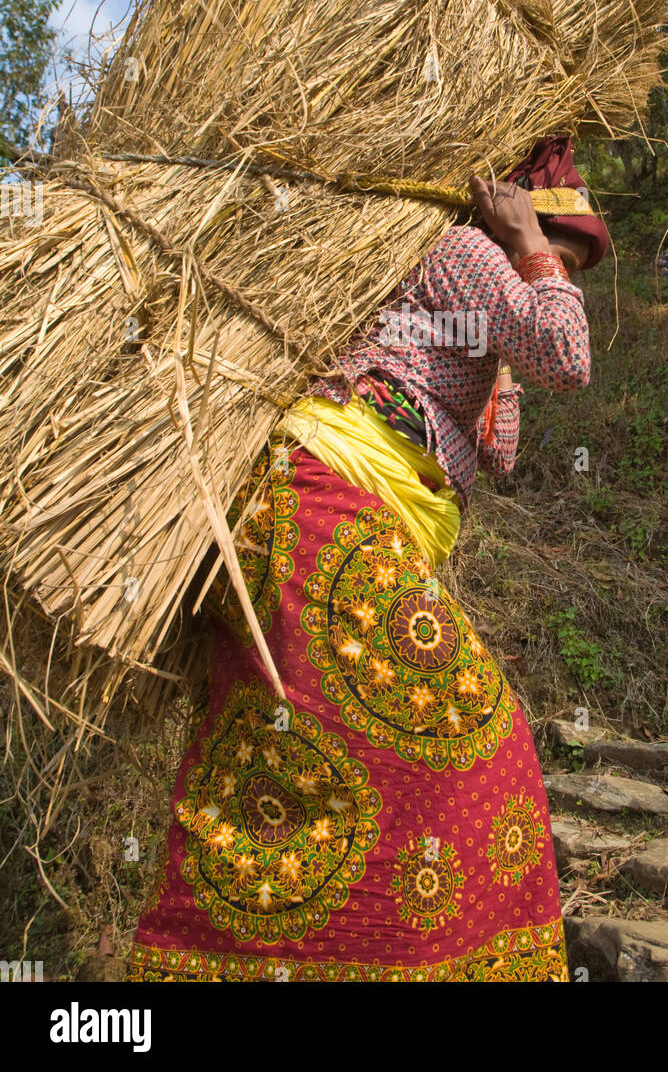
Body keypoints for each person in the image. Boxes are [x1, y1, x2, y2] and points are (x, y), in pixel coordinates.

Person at [128, 133, 610, 983]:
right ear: (506, 220)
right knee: (479, 734)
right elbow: (567, 355)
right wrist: (531, 249)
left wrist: (508, 338)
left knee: (284, 777)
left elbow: (502, 438)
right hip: (327, 498)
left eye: (568, 266)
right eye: (552, 253)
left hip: (327, 508)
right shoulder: (464, 249)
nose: (556, 275)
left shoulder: (470, 297)